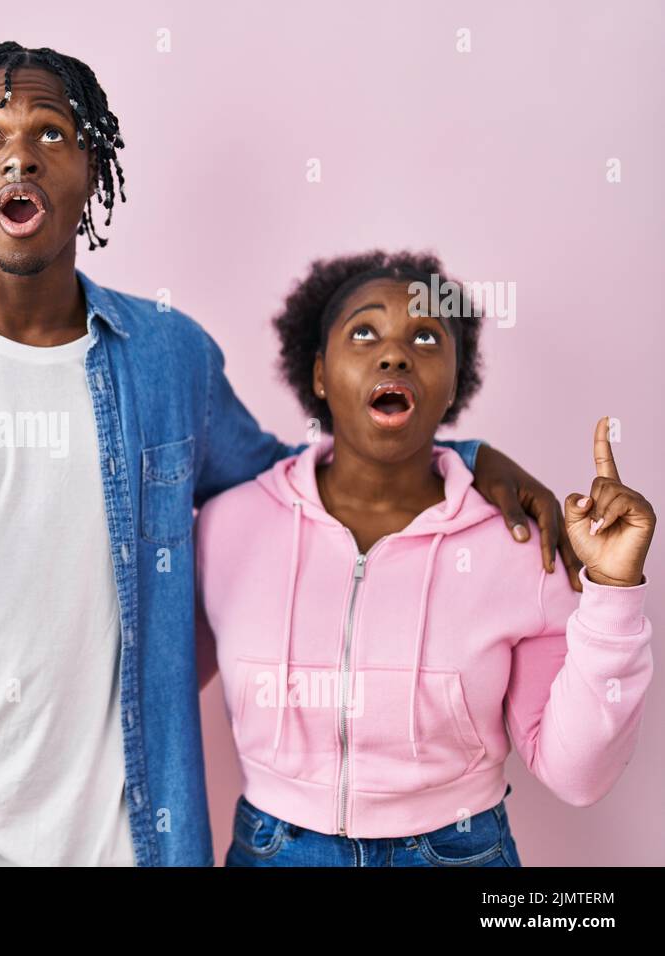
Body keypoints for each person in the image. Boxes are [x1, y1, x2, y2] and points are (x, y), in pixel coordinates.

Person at [0, 43, 578, 867]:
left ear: (92, 168)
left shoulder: (169, 359)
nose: (19, 152)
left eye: (52, 133)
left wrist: (463, 454)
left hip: (124, 840)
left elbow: (302, 482)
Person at [195, 252, 654, 866]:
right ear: (321, 374)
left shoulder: (520, 542)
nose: (394, 354)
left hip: (459, 851)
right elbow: (142, 691)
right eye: (363, 332)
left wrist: (612, 589)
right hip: (273, 848)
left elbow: (579, 776)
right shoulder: (229, 526)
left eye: (426, 336)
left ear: (455, 381)